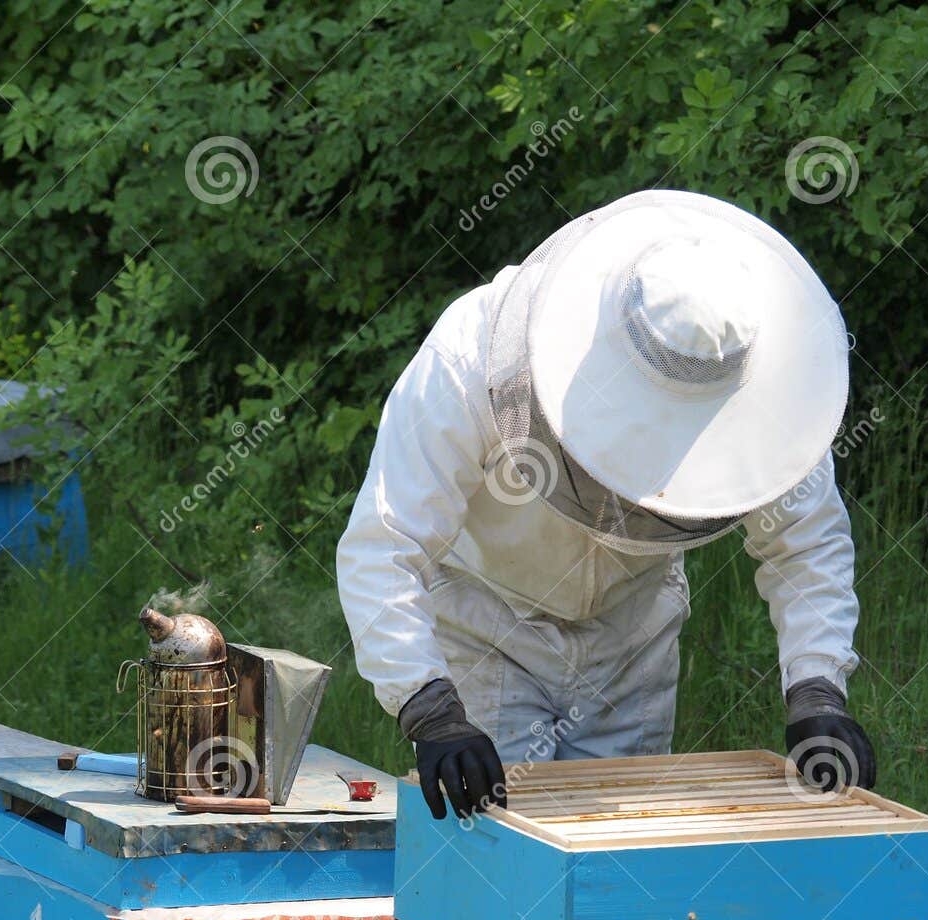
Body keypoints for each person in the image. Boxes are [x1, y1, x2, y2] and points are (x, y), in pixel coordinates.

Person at [337, 189, 875, 820]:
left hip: (632, 635)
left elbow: (806, 544)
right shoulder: (470, 355)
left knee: (618, 871)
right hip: (492, 625)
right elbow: (388, 540)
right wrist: (430, 706)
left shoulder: (769, 389)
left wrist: (817, 690)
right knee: (503, 867)